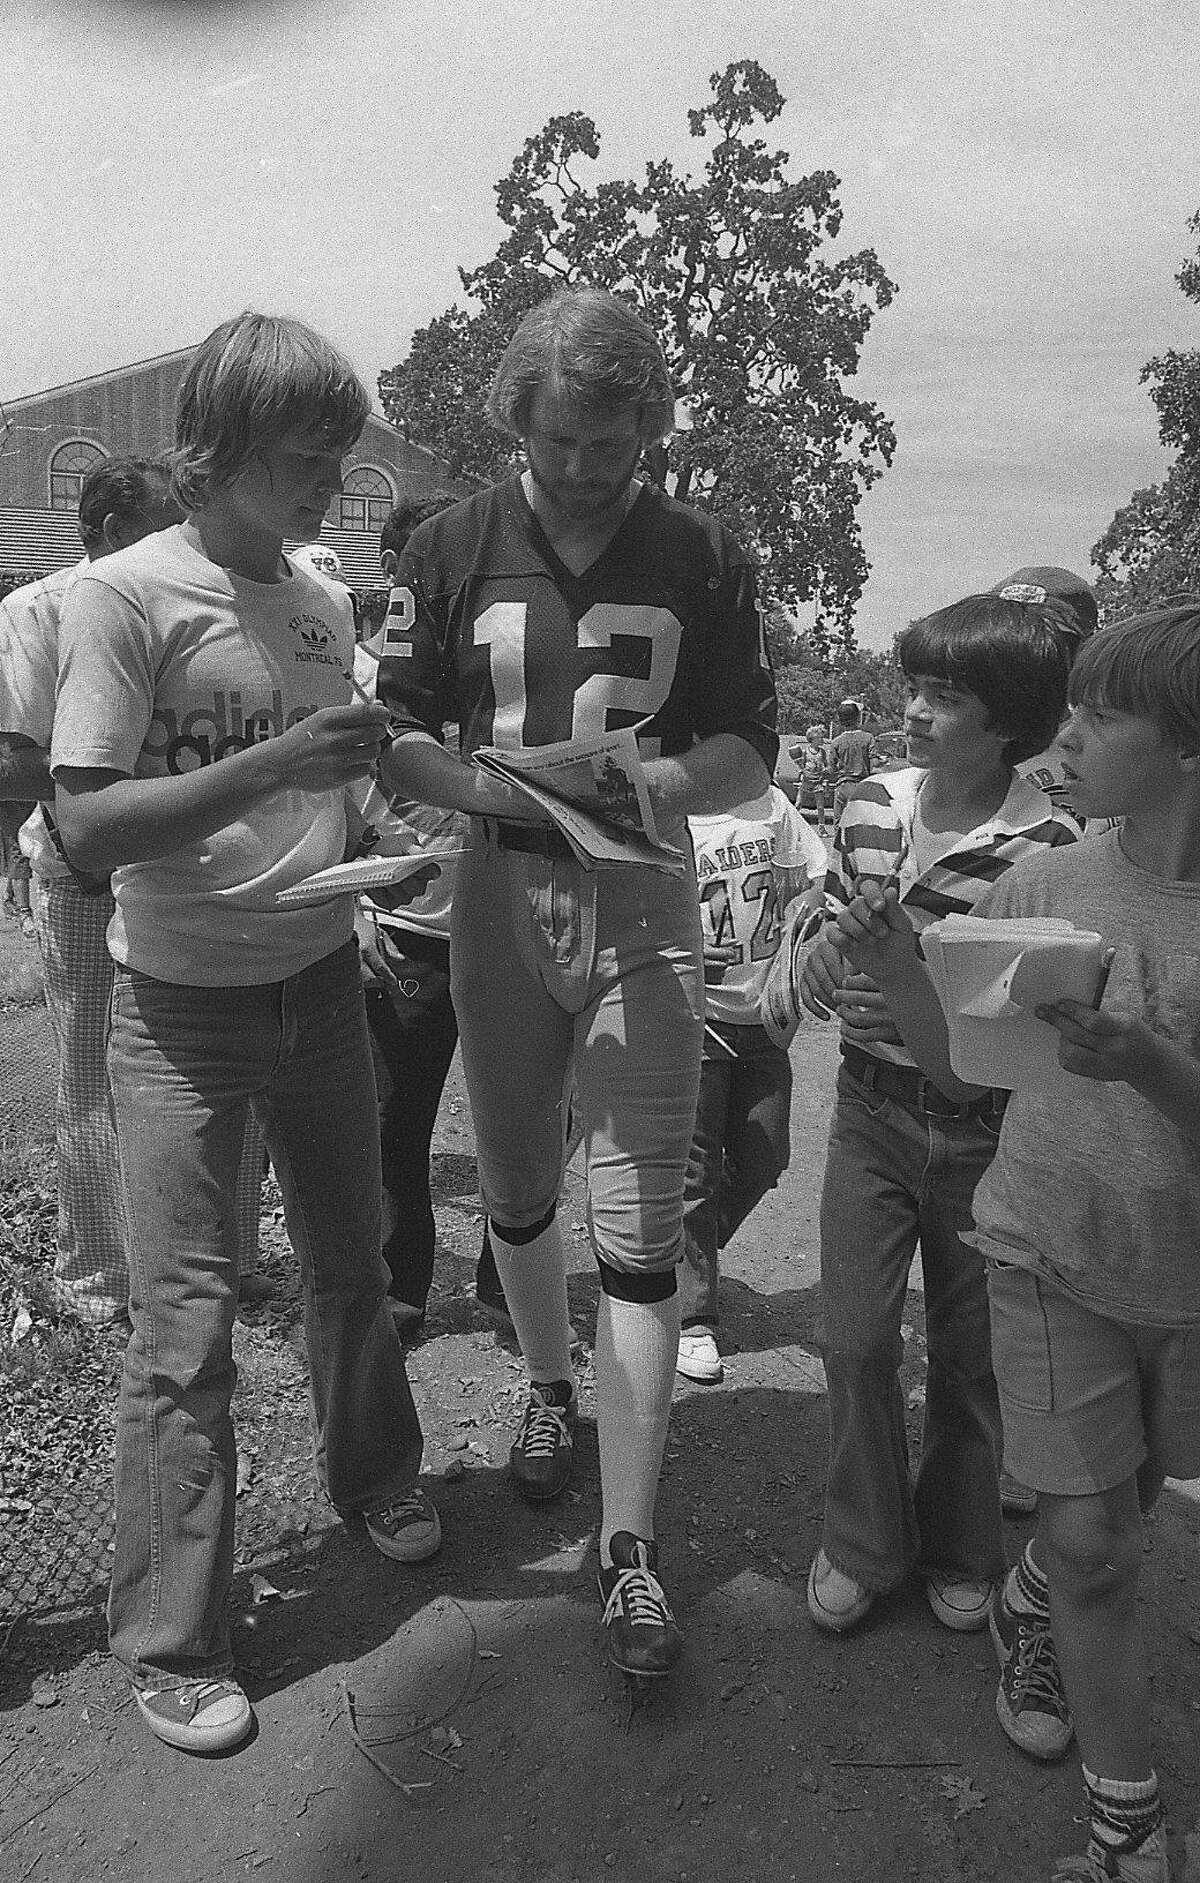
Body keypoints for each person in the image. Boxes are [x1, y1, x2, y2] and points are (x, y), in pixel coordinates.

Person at [49, 313, 439, 1756]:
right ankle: (170, 1628)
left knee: (354, 1257)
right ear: (210, 452)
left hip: (322, 978)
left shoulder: (323, 601)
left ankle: (378, 1471)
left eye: (342, 454)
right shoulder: (125, 599)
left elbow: (338, 779)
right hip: (182, 1010)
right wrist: (280, 761)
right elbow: (84, 826)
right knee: (186, 1321)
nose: (333, 479)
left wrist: (384, 828)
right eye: (303, 455)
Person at [375, 285, 777, 1678]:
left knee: (642, 1213)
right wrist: (497, 787)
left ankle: (629, 1544)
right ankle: (548, 1386)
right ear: (517, 425)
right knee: (517, 1181)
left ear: (653, 422)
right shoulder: (448, 542)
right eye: (558, 447)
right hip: (495, 886)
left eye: (611, 446)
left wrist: (652, 781)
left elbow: (747, 748)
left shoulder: (702, 552)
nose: (585, 472)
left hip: (645, 891)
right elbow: (395, 729)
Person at [829, 602, 1200, 1883]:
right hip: (1044, 1246)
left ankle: (1027, 1586)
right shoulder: (1046, 883)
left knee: (1129, 1502)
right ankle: (1127, 1830)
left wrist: (1154, 1065)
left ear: (1189, 747)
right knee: (1103, 1544)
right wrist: (899, 977)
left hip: (1183, 1281)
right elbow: (969, 1072)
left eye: (1104, 715)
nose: (1070, 736)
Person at [798, 592, 1077, 1638]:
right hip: (866, 1109)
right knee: (858, 1340)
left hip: (982, 1131)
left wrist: (897, 966)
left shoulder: (1046, 847)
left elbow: (998, 1034)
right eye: (914, 686)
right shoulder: (869, 800)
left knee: (971, 1354)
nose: (914, 710)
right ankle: (866, 1540)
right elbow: (831, 918)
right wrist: (826, 957)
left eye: (945, 696)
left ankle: (964, 1541)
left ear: (1010, 721)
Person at [0, 457, 268, 1325]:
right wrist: (120, 770)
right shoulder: (39, 610)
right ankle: (99, 1279)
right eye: (160, 522)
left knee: (221, 1066)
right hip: (86, 875)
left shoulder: (197, 600)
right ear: (110, 531)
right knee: (90, 1075)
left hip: (192, 868)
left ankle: (223, 1261)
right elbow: (11, 755)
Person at [351, 490, 510, 1332]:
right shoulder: (359, 681)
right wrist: (355, 909)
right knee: (394, 1126)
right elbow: (333, 806)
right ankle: (401, 1287)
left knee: (518, 1129)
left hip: (515, 929)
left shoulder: (508, 666)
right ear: (396, 571)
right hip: (408, 931)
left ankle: (510, 1281)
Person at [677, 783, 825, 1383]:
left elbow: (812, 876)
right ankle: (691, 1317)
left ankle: (683, 1261)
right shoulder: (675, 810)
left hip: (763, 1015)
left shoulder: (770, 803)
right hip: (697, 1014)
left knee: (766, 1154)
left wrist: (801, 922)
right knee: (696, 1165)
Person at [827, 699, 874, 825]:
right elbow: (874, 767)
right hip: (862, 787)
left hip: (842, 787)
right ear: (857, 718)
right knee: (861, 824)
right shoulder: (868, 738)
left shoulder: (836, 742)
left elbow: (831, 770)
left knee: (839, 824)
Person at [791, 722, 832, 834]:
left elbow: (827, 765)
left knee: (820, 806)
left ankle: (822, 828)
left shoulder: (822, 752)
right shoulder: (805, 752)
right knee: (798, 804)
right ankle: (792, 825)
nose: (821, 739)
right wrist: (801, 769)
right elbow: (801, 765)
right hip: (806, 781)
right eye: (820, 737)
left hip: (818, 781)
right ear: (813, 738)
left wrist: (826, 770)